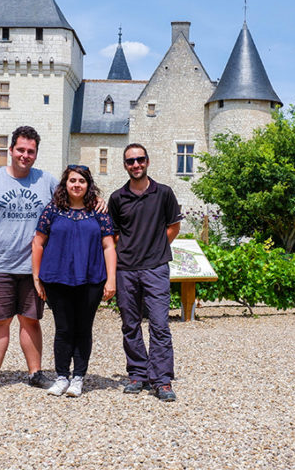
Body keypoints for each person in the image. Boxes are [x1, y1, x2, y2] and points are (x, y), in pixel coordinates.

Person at [0, 126, 56, 393]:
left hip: (33, 267)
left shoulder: (47, 181)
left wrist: (95, 198)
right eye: (21, 150)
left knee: (31, 320)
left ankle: (36, 373)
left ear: (36, 153)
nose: (25, 155)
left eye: (31, 151)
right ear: (11, 150)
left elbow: (73, 197)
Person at [31, 165, 117, 397]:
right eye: (72, 181)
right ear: (65, 184)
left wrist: (111, 280)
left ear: (88, 185)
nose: (76, 185)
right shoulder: (53, 210)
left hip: (91, 280)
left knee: (83, 329)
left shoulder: (98, 211)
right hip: (57, 279)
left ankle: (78, 377)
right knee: (63, 329)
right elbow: (38, 243)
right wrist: (37, 276)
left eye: (81, 181)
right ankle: (61, 377)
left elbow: (109, 246)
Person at [107, 143, 183, 402]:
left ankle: (161, 380)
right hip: (126, 270)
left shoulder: (163, 193)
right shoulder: (117, 198)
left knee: (160, 325)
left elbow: (174, 226)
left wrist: (156, 248)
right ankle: (138, 374)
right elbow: (114, 235)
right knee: (130, 325)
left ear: (147, 162)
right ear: (125, 165)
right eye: (130, 161)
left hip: (156, 268)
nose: (136, 165)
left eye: (140, 160)